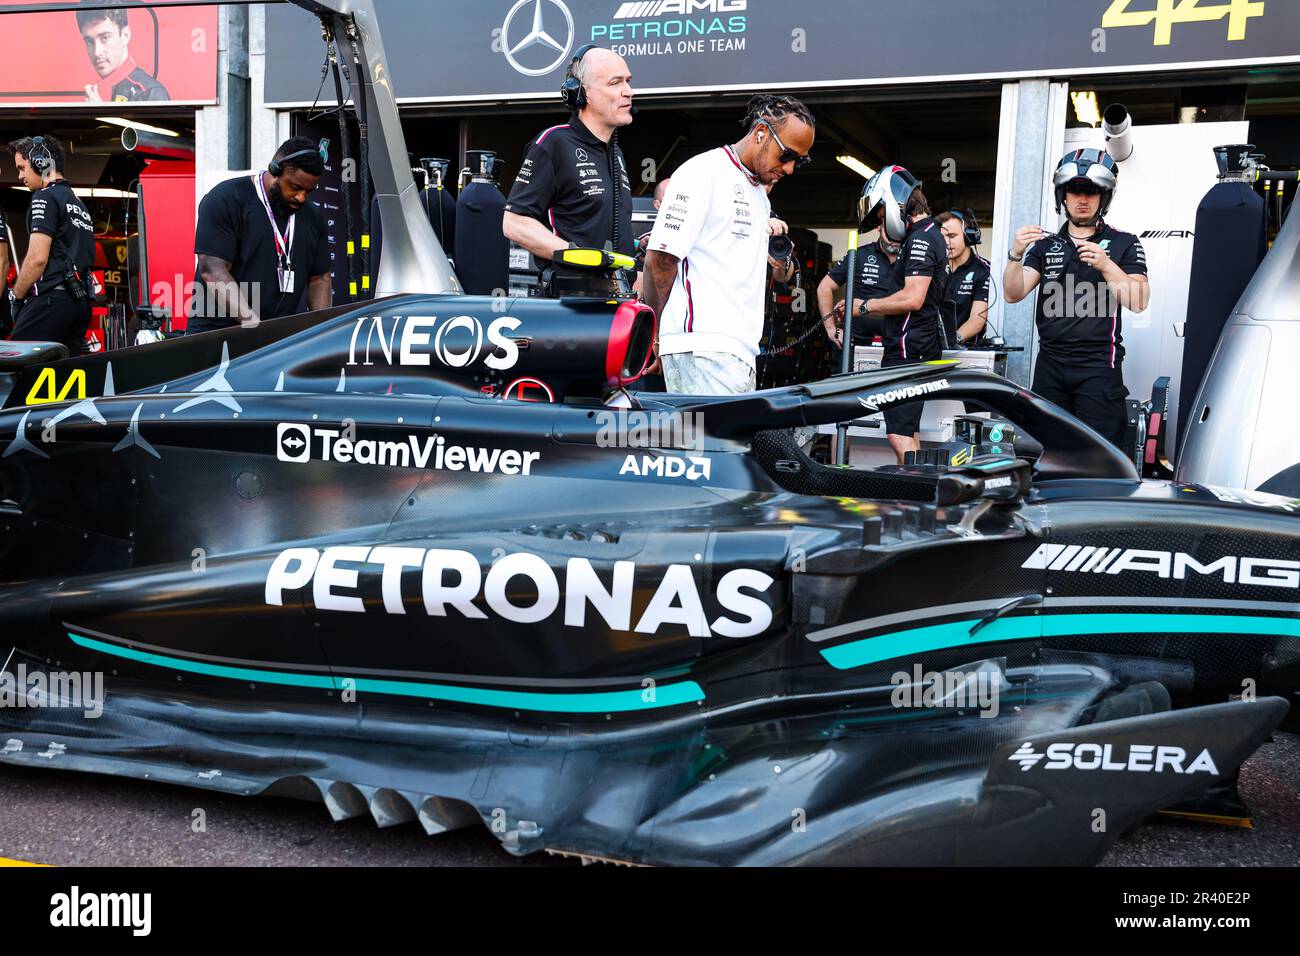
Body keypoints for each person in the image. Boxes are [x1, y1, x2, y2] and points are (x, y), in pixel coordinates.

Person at [640, 94, 815, 395]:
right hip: (703, 348)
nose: (790, 169)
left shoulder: (759, 195)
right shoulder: (703, 172)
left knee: (724, 443)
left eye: (799, 160)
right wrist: (649, 335)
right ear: (761, 133)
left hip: (738, 353)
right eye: (786, 155)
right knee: (710, 443)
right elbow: (661, 259)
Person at [1003, 148, 1150, 448]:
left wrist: (1107, 265)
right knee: (1047, 454)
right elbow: (1012, 293)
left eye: (1091, 192)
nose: (1082, 199)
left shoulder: (1124, 242)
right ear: (1063, 196)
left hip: (1098, 368)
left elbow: (1139, 300)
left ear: (1104, 197)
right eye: (1074, 191)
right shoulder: (1045, 245)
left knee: (1099, 458)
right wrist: (1015, 254)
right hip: (1050, 368)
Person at [188, 137, 333, 334]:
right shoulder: (227, 199)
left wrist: (323, 333)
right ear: (275, 171)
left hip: (274, 340)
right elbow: (212, 271)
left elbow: (320, 278)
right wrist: (255, 327)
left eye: (309, 191)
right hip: (216, 336)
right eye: (296, 187)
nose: (301, 197)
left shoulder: (313, 217)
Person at [503, 45, 635, 261]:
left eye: (628, 81)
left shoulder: (616, 152)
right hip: (572, 292)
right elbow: (514, 224)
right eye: (615, 82)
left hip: (617, 293)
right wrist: (581, 258)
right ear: (581, 93)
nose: (628, 91)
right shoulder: (553, 143)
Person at [855, 165, 949, 462]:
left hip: (910, 349)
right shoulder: (926, 234)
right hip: (915, 346)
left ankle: (915, 496)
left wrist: (865, 306)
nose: (882, 223)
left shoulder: (922, 238)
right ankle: (918, 495)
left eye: (881, 215)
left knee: (898, 433)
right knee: (908, 430)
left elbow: (913, 298)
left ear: (895, 202)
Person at [6, 136, 95, 355]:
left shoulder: (44, 197)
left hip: (50, 301)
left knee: (13, 367)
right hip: (80, 305)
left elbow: (37, 259)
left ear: (41, 163)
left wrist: (16, 296)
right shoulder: (78, 203)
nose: (20, 176)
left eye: (22, 168)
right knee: (61, 378)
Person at [817, 230, 901, 351]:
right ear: (879, 227)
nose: (894, 237)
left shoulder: (910, 256)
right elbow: (824, 287)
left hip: (897, 343)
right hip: (856, 342)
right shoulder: (860, 254)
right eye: (890, 230)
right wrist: (831, 329)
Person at [77, 6, 168, 103]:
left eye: (105, 38)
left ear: (125, 36)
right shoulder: (96, 92)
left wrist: (102, 113)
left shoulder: (150, 93)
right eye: (89, 42)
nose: (97, 52)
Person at [936, 209, 991, 348]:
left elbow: (977, 319)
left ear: (968, 237)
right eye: (941, 237)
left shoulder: (983, 269)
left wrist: (953, 341)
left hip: (967, 352)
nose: (946, 242)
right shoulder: (933, 268)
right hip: (931, 348)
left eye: (952, 236)